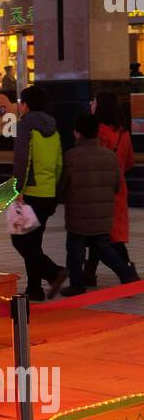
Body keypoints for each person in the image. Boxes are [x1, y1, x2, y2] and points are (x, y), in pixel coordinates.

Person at [58, 113, 137, 296]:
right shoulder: (110, 156)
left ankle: (78, 285)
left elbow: (63, 185)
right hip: (103, 214)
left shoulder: (71, 156)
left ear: (78, 133)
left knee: (75, 251)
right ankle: (127, 275)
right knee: (104, 248)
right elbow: (116, 184)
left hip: (78, 214)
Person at [11, 84, 66, 300]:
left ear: (25, 105)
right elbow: (59, 163)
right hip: (48, 194)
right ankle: (34, 289)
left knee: (20, 240)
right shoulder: (53, 128)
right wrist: (55, 191)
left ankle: (54, 272)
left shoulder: (25, 126)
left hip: (29, 194)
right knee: (33, 243)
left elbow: (22, 160)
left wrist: (18, 189)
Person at [85, 91, 136, 285]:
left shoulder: (98, 132)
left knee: (104, 235)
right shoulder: (124, 133)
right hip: (119, 188)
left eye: (94, 101)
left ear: (101, 106)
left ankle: (128, 272)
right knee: (106, 233)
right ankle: (89, 274)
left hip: (99, 189)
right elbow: (129, 162)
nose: (91, 104)